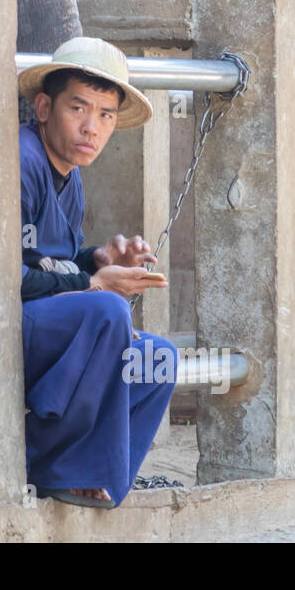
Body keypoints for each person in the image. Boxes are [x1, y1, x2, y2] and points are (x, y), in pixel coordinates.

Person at [17, 37, 178, 508]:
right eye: (78, 108)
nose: (92, 128)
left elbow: (51, 261)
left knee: (159, 357)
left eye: (106, 115)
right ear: (44, 108)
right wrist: (93, 284)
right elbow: (8, 277)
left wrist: (98, 259)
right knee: (108, 311)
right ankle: (61, 468)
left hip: (50, 327)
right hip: (5, 325)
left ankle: (88, 468)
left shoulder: (70, 173)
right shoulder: (22, 161)